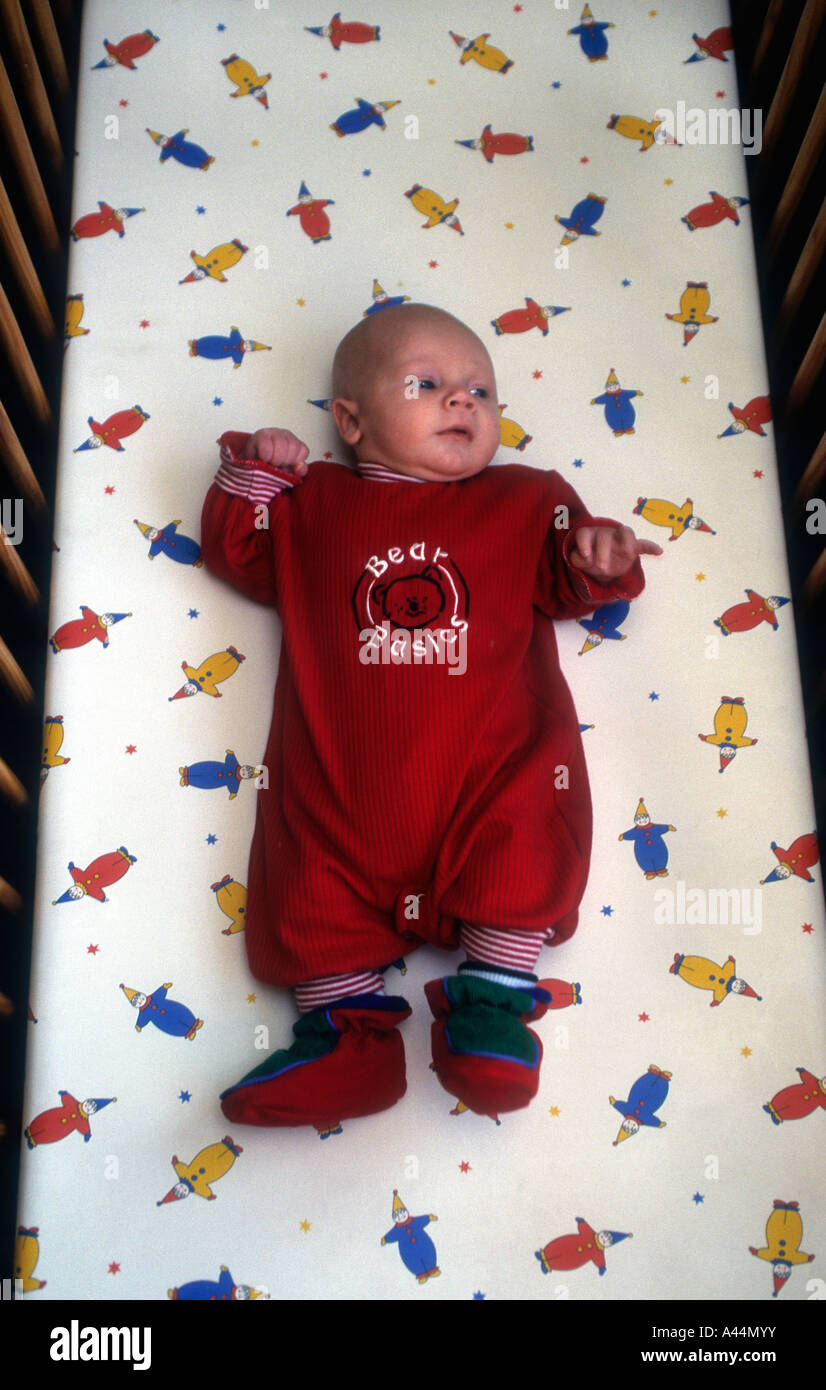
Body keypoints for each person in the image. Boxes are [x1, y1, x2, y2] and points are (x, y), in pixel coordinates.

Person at [200, 303, 661, 1128]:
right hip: (342, 786)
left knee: (524, 846)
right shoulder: (314, 506)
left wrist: (598, 556)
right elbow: (240, 552)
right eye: (429, 384)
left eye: (481, 389)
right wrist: (256, 476)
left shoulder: (524, 500)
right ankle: (348, 1044)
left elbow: (565, 581)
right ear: (350, 419)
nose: (463, 402)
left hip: (492, 773)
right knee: (309, 884)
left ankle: (491, 1009)